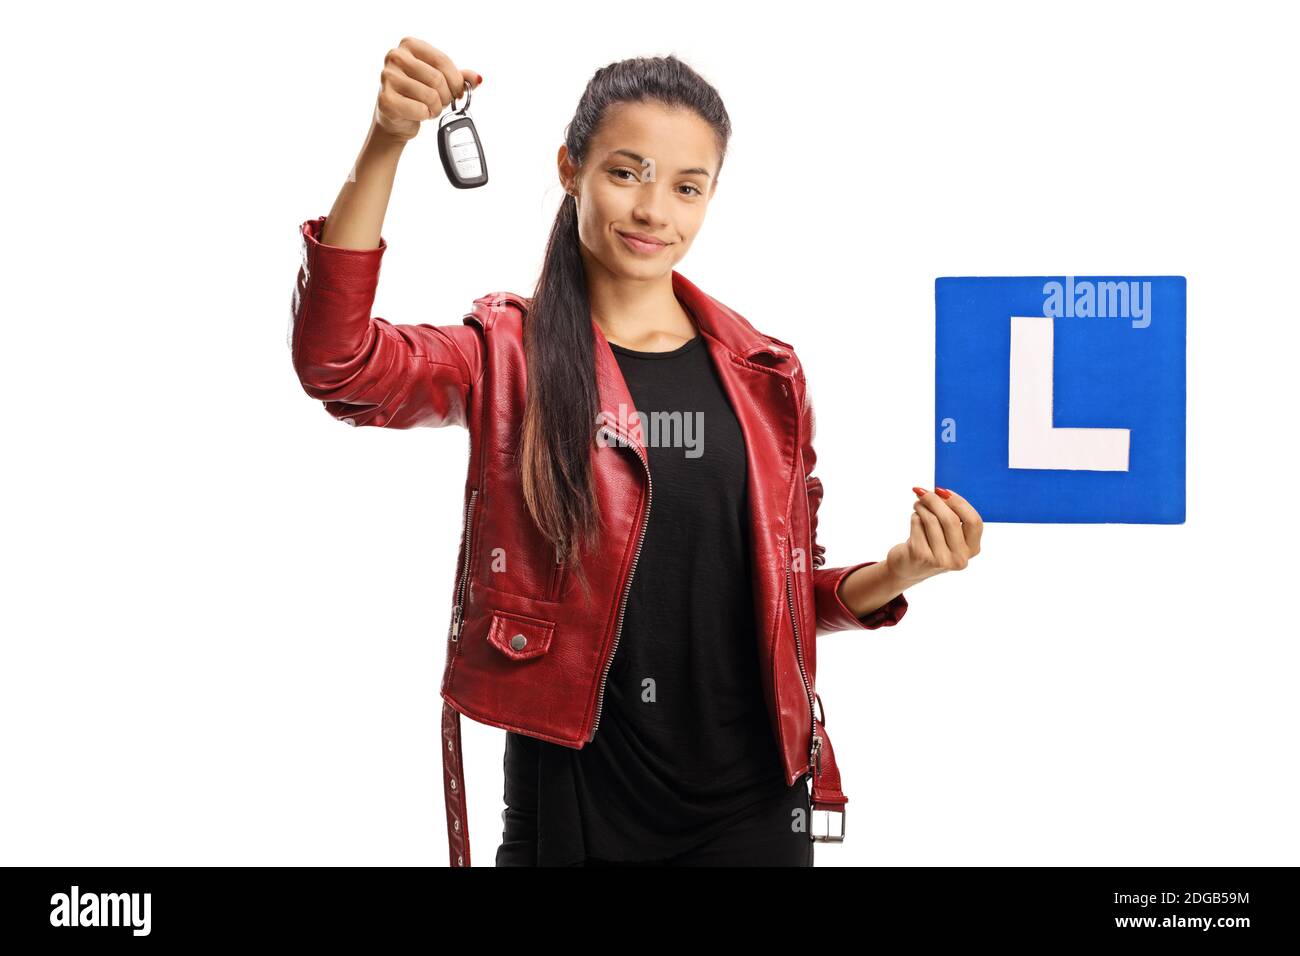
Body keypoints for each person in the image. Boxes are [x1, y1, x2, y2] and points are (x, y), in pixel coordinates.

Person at [290, 40, 983, 867]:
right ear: (568, 168)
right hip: (575, 797)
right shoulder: (505, 355)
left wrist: (905, 568)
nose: (657, 210)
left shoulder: (767, 375)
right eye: (627, 173)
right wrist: (386, 140)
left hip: (755, 804)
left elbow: (789, 602)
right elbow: (340, 365)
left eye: (687, 187)